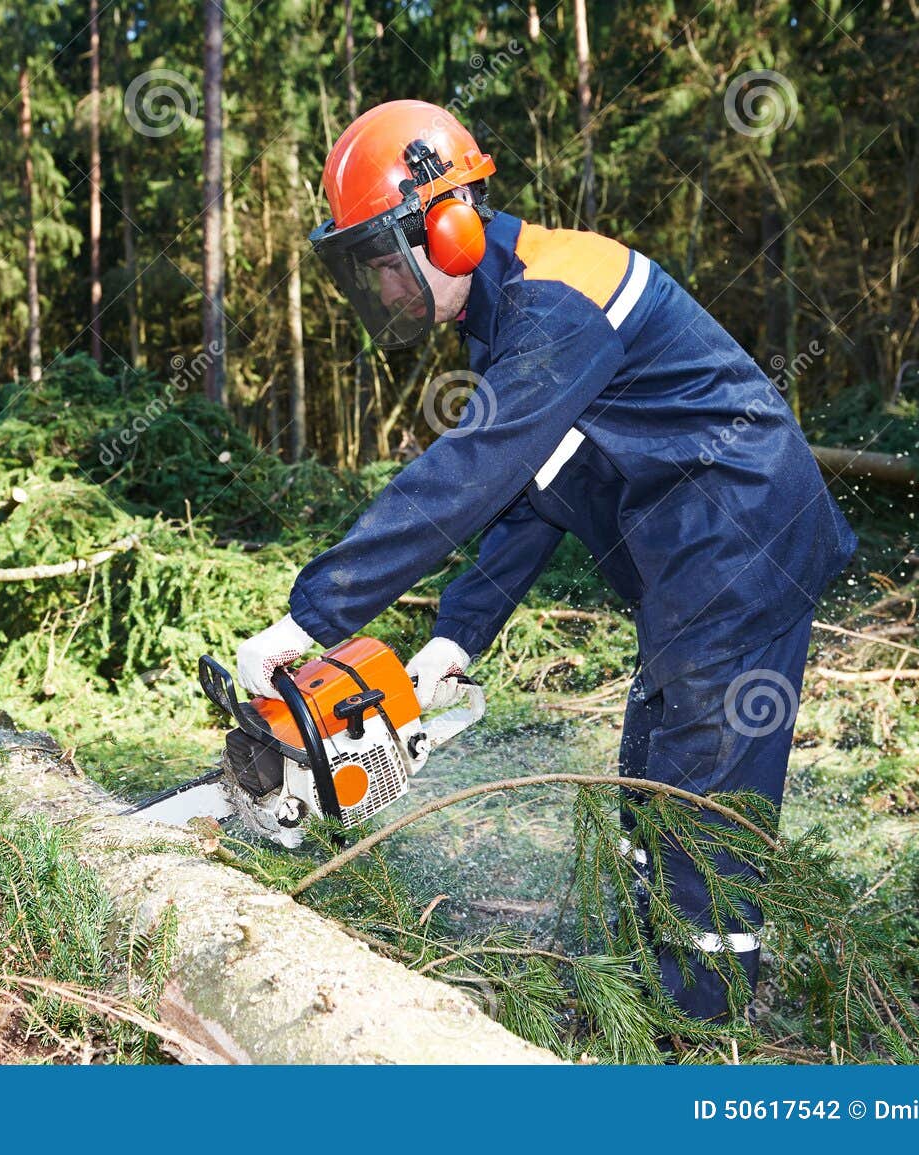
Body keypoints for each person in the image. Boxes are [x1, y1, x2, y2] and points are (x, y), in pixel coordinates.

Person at [234, 99, 856, 1023]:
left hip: (745, 539)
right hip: (689, 560)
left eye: (385, 265)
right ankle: (654, 993)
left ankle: (705, 1027)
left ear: (444, 228)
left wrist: (316, 614)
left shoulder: (562, 294)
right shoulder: (510, 320)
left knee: (698, 801)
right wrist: (455, 637)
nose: (388, 293)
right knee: (651, 779)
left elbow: (473, 467)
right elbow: (534, 491)